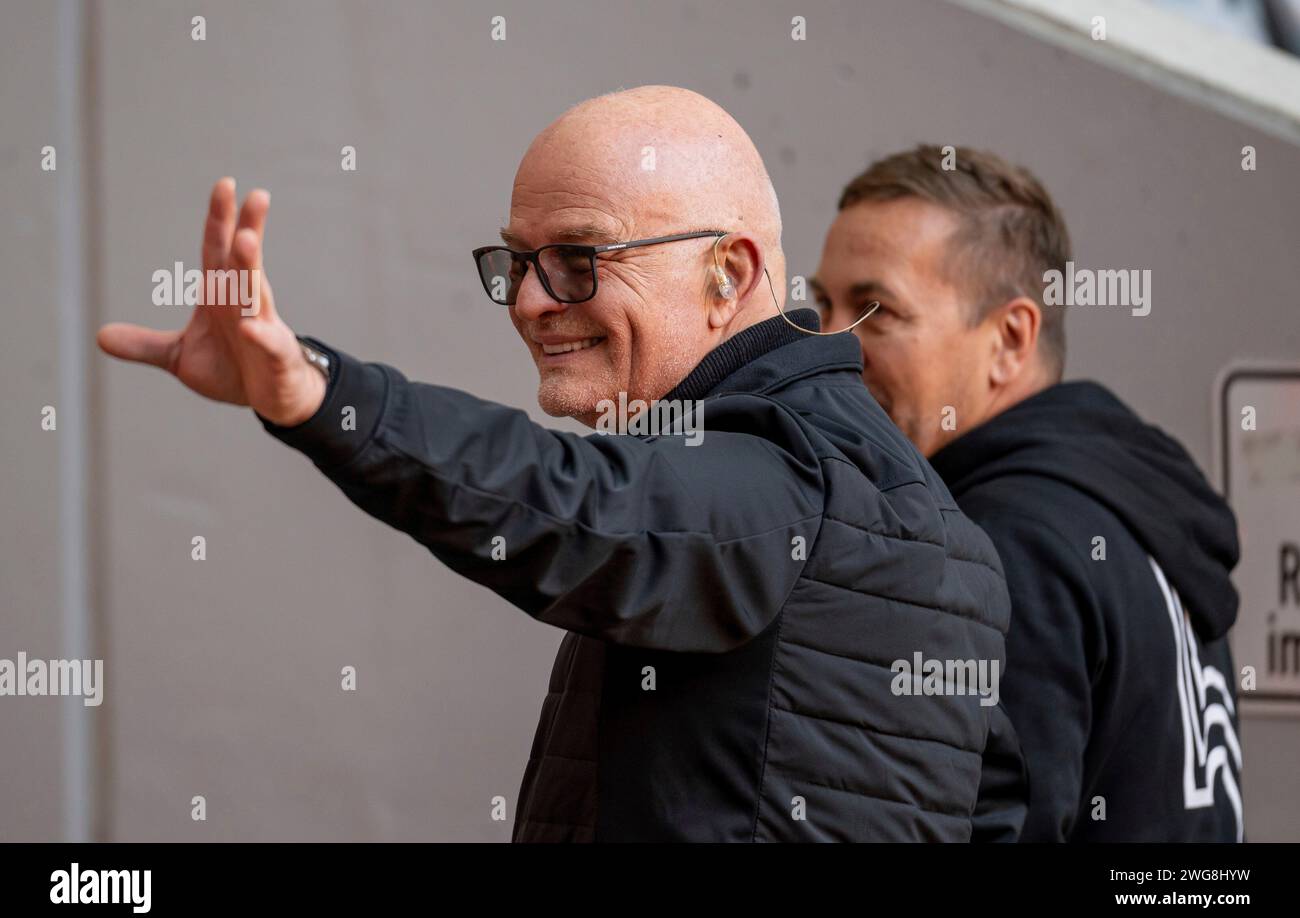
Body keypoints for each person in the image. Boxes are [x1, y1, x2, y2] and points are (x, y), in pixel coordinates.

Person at [98, 89, 1010, 842]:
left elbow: (577, 505)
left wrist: (312, 391)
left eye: (579, 259)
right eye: (518, 262)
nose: (532, 300)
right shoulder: (930, 525)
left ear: (728, 275)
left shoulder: (784, 473)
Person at [813, 144, 1244, 841]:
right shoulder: (1124, 505)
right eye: (822, 303)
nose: (829, 343)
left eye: (875, 309)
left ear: (1010, 339)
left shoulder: (1007, 542)